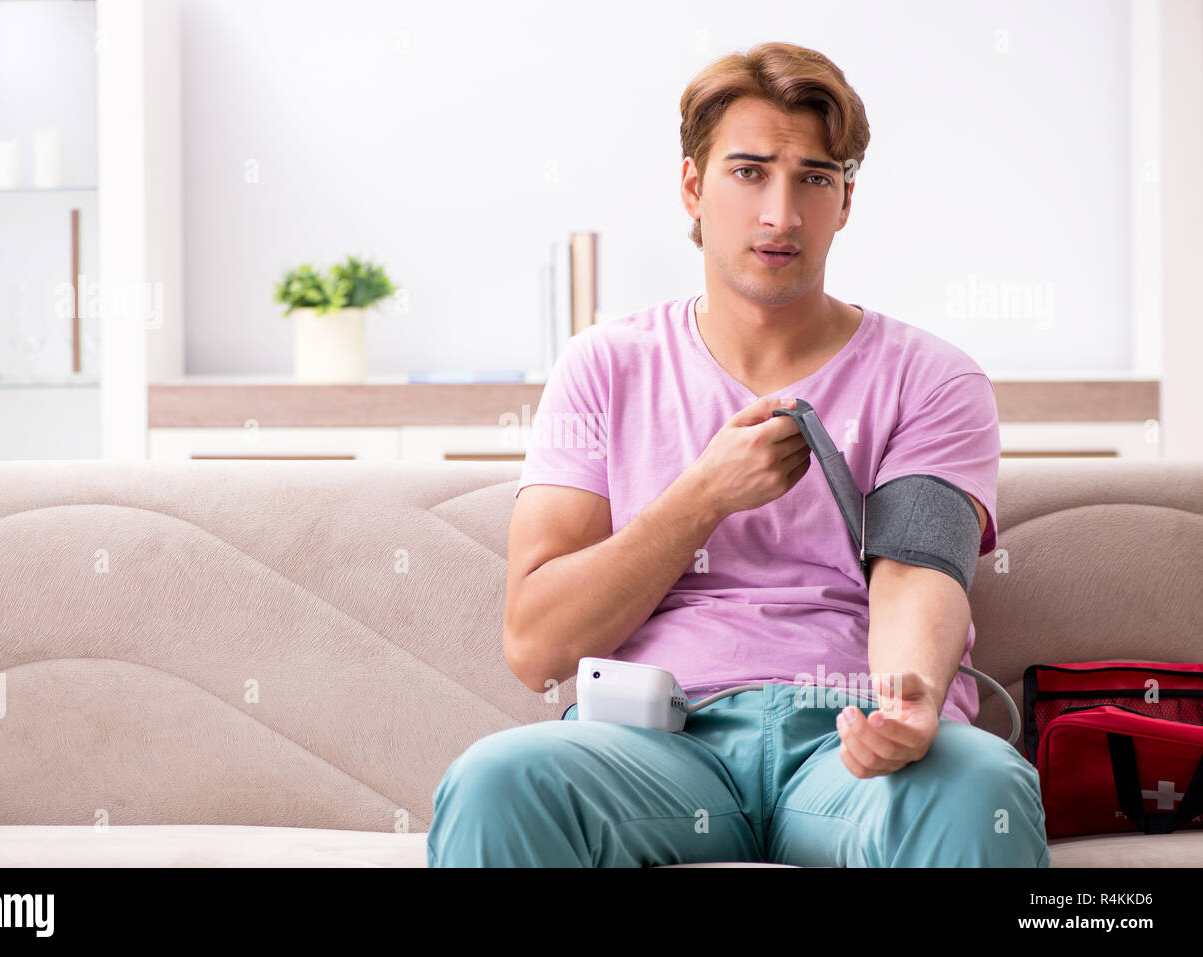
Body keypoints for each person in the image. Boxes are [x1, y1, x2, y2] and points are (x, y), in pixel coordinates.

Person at [427, 40, 1050, 867]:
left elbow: (915, 578)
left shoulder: (932, 379)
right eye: (749, 172)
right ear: (694, 185)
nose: (781, 215)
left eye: (814, 179)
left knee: (981, 784)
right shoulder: (603, 367)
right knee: (495, 778)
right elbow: (537, 646)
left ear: (846, 200)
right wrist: (703, 497)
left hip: (847, 747)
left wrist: (910, 701)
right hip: (655, 747)